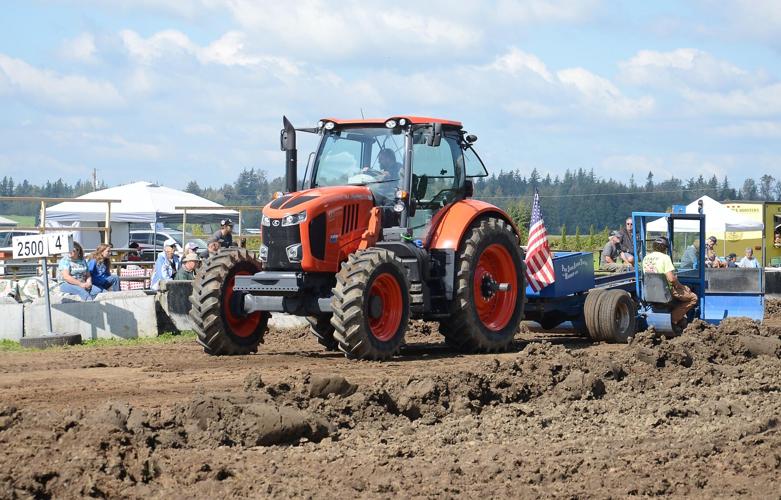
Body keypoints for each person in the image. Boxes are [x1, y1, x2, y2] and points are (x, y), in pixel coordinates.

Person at [642, 235, 698, 331]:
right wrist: (682, 287)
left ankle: (677, 318)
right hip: (665, 291)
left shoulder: (646, 258)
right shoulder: (665, 258)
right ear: (664, 248)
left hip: (649, 292)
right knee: (693, 298)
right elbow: (671, 279)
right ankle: (673, 320)